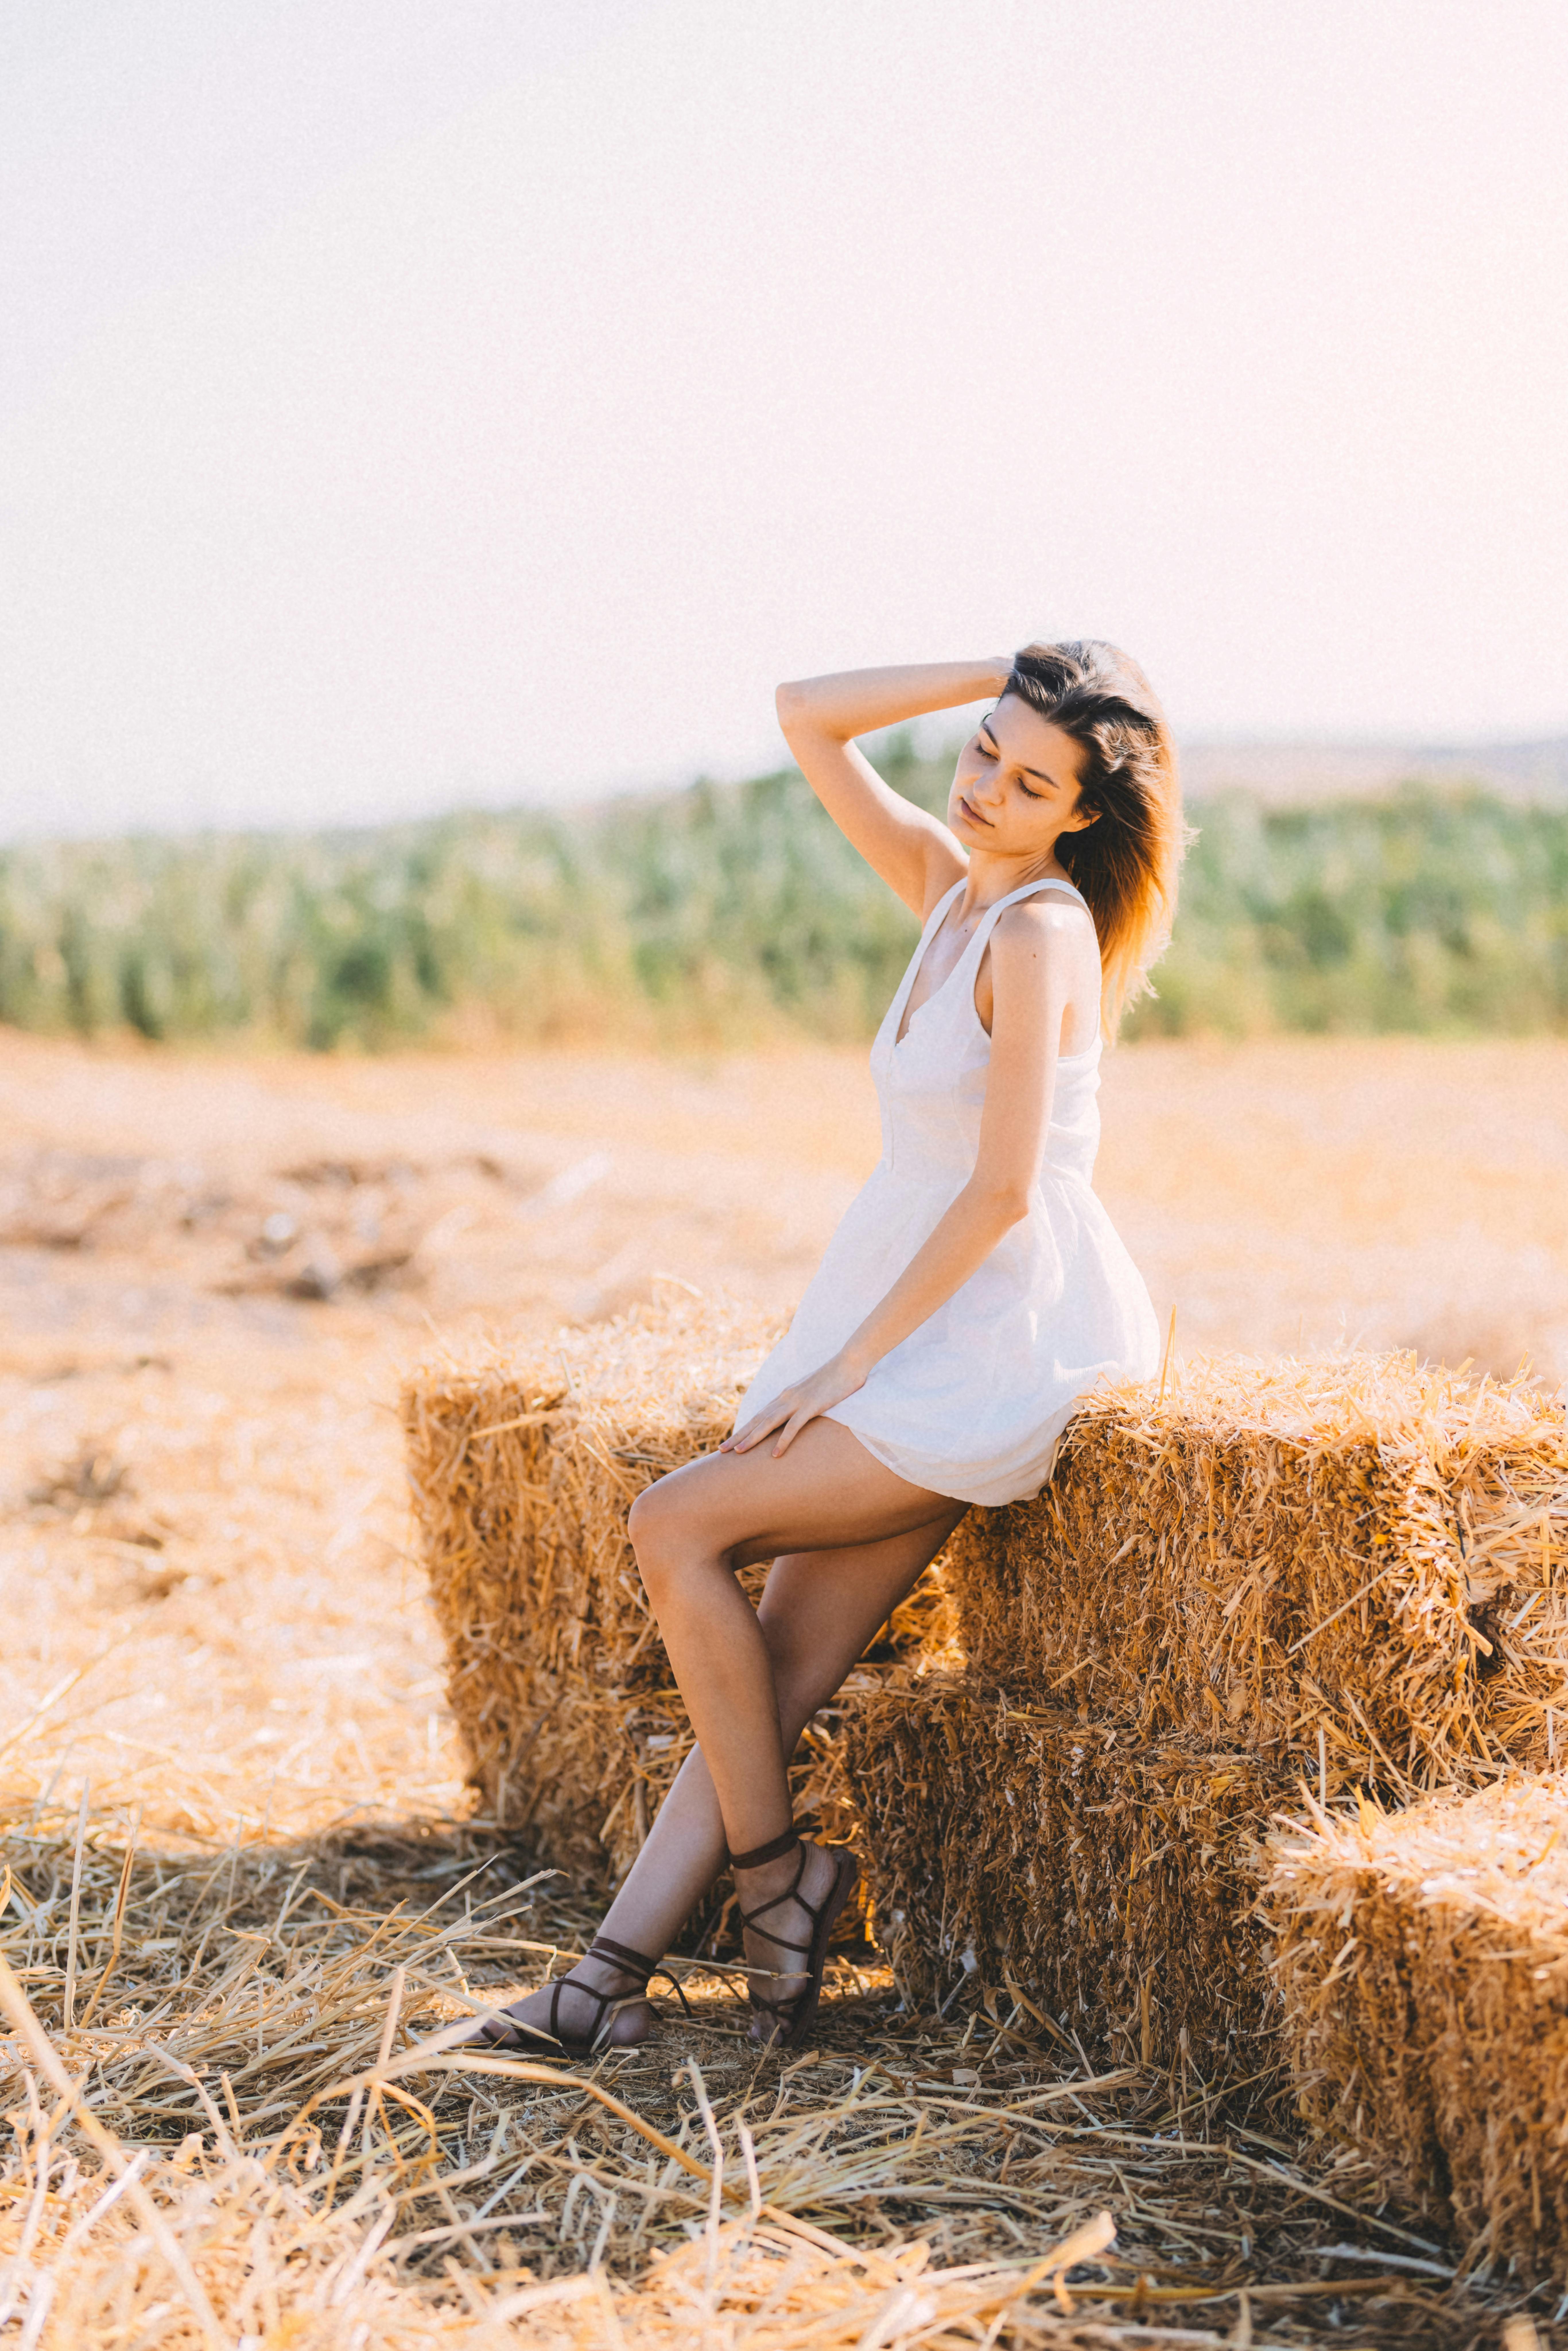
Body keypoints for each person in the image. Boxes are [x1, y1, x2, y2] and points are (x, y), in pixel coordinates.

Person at [469, 643, 1183, 2058]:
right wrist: (1013, 662)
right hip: (911, 1318)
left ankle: (770, 1877)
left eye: (1030, 779)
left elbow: (1001, 1189)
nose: (983, 787)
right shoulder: (945, 895)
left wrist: (844, 1365)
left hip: (992, 1339)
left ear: (1082, 817)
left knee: (671, 1522)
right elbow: (803, 713)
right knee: (771, 1677)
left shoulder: (1039, 933)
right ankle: (607, 1980)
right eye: (984, 749)